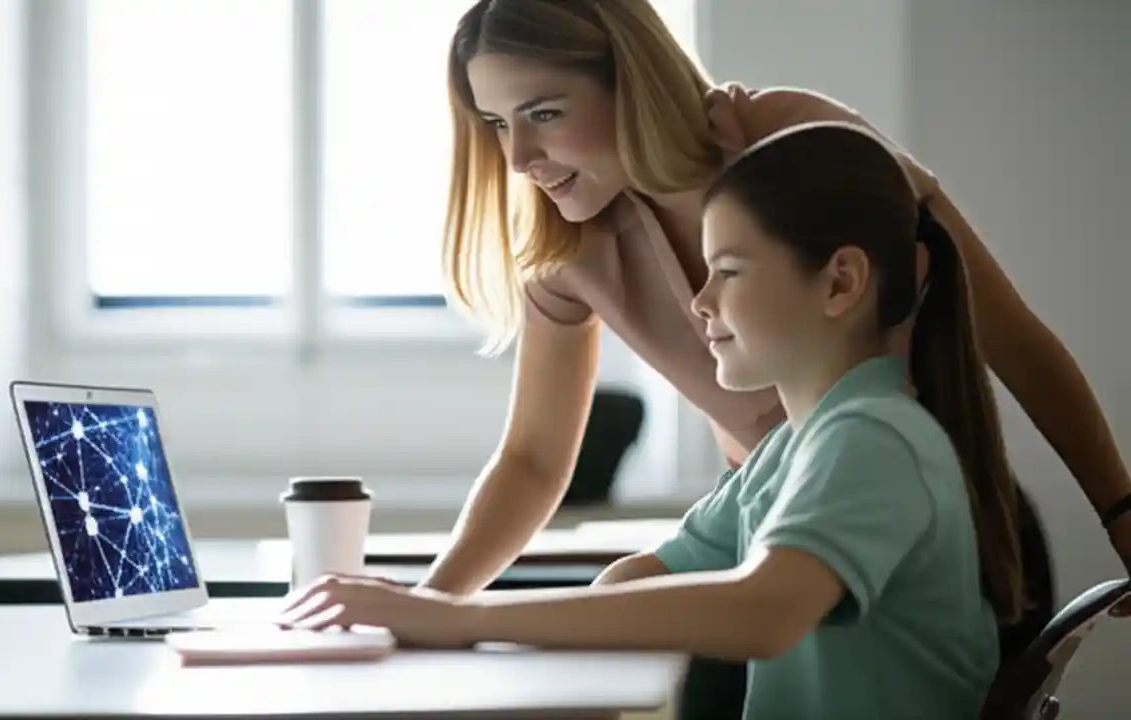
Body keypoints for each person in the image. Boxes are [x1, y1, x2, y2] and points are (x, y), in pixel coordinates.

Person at [279, 122, 1021, 718]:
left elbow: (763, 611)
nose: (700, 303)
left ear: (840, 282)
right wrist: (468, 622)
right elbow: (638, 580)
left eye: (727, 272)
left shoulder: (875, 436)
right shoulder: (795, 447)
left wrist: (462, 619)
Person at [423, 0, 1131, 605]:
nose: (517, 157)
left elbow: (1016, 344)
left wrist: (1121, 512)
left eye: (543, 113)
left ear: (629, 83)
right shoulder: (565, 250)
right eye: (495, 124)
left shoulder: (791, 140)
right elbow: (535, 459)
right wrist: (428, 607)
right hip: (764, 533)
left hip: (925, 527)